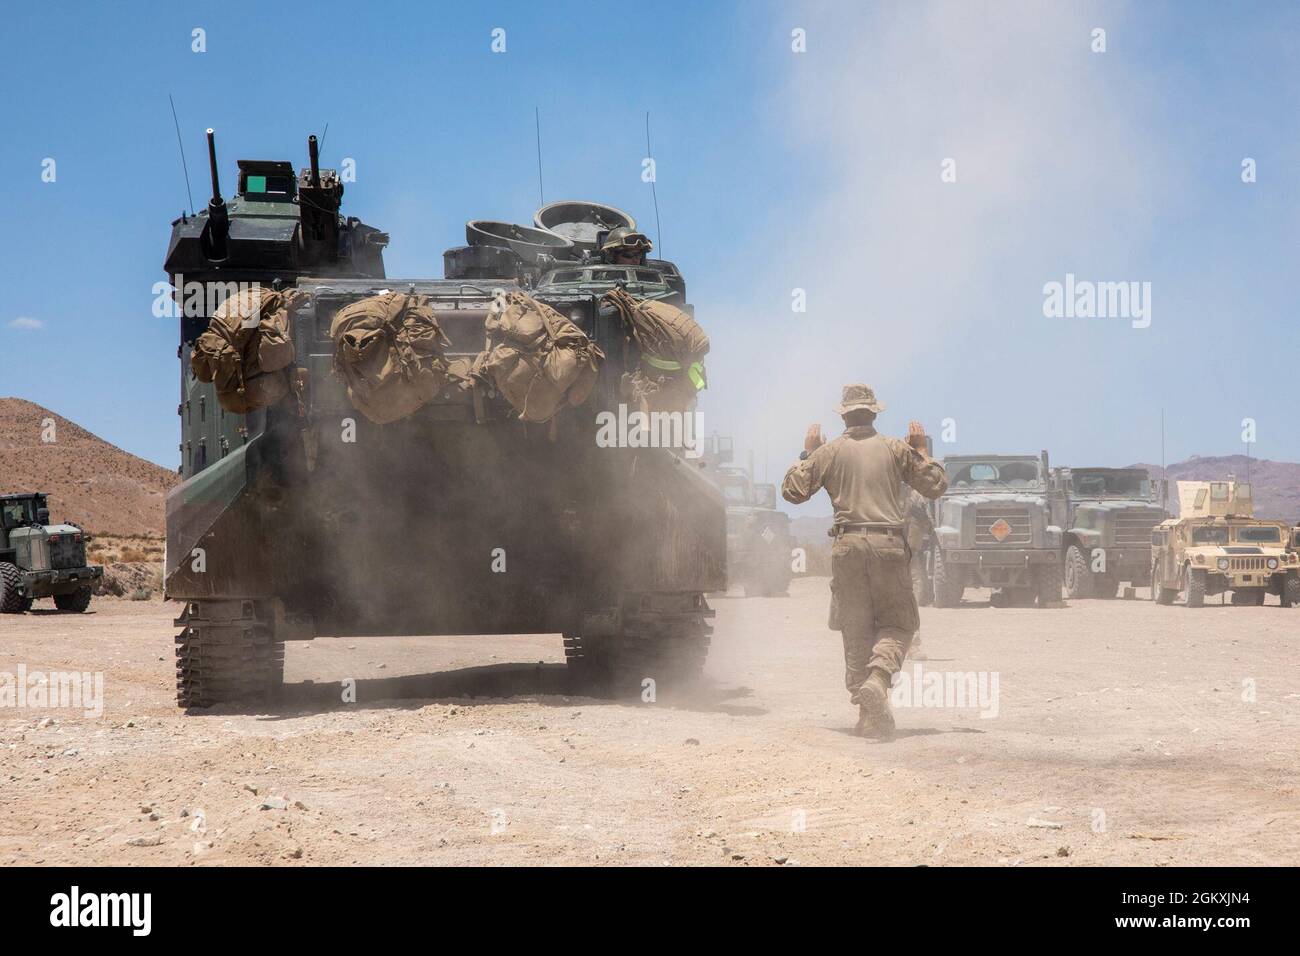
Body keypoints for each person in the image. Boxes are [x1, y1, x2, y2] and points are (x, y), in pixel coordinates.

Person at [781, 384, 948, 738]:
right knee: (900, 624)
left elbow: (792, 492)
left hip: (847, 547)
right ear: (874, 414)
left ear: (843, 415)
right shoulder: (895, 448)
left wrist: (807, 453)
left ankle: (866, 711)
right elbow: (935, 485)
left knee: (855, 627)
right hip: (888, 545)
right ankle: (878, 678)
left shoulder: (829, 452)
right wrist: (921, 449)